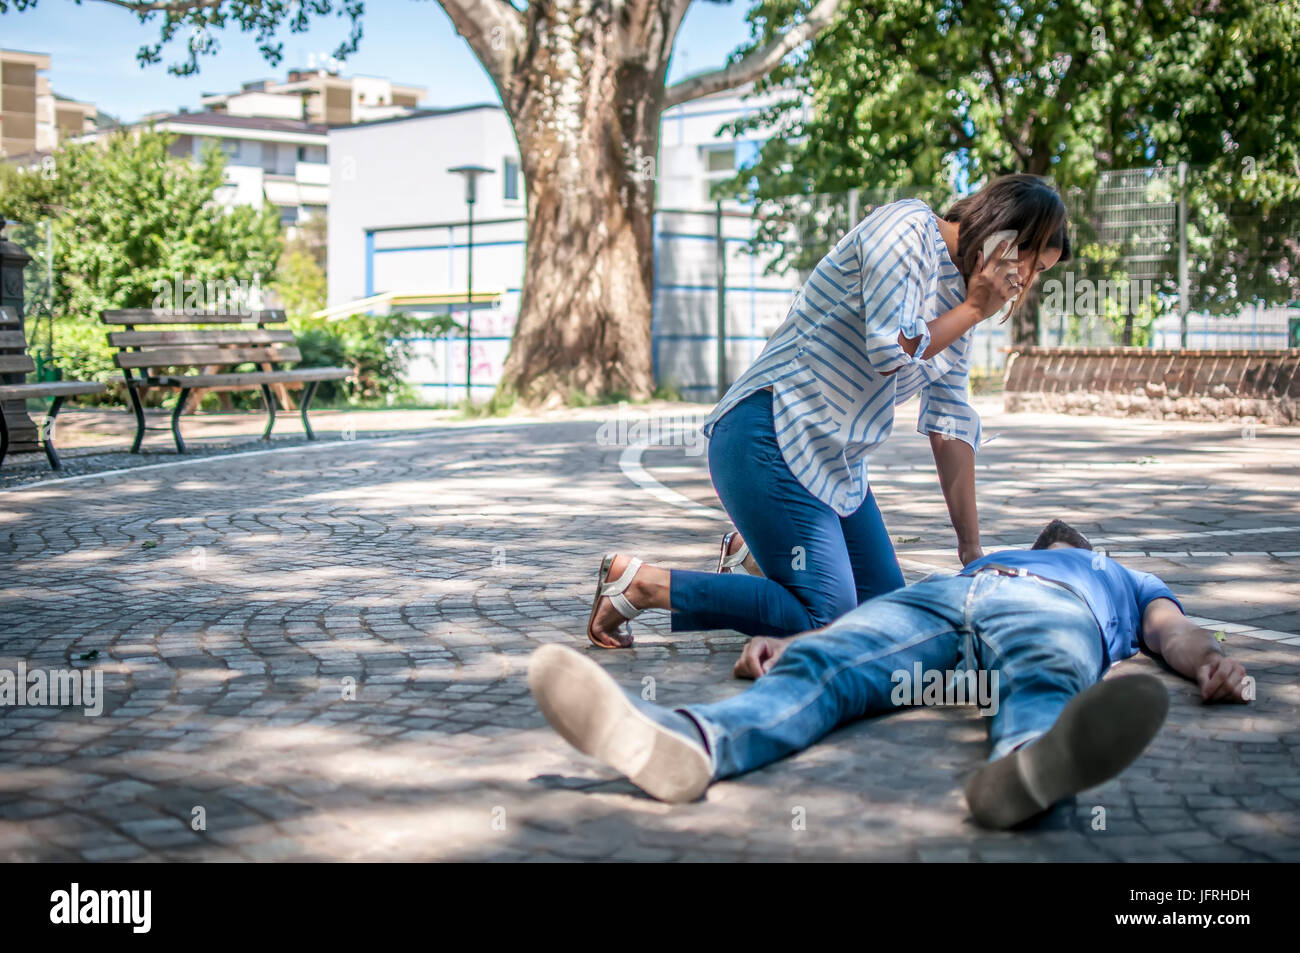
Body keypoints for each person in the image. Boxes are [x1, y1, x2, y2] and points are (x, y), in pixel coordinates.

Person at [585, 175, 1071, 649]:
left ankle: (750, 563)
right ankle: (641, 584)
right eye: (1026, 261)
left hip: (836, 466)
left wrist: (970, 549)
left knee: (884, 620)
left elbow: (950, 426)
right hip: (768, 434)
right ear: (1001, 231)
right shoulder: (905, 230)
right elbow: (889, 350)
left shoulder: (963, 299)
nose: (1023, 282)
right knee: (829, 617)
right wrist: (973, 311)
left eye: (1039, 273)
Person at [533, 519, 1252, 829]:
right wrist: (798, 639)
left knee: (1044, 676)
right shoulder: (1002, 552)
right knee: (828, 660)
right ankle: (689, 739)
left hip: (1053, 613)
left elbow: (1171, 631)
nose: (1056, 540)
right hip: (946, 593)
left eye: (1062, 540)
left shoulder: (1121, 577)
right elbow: (864, 626)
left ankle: (1026, 769)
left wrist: (1211, 660)